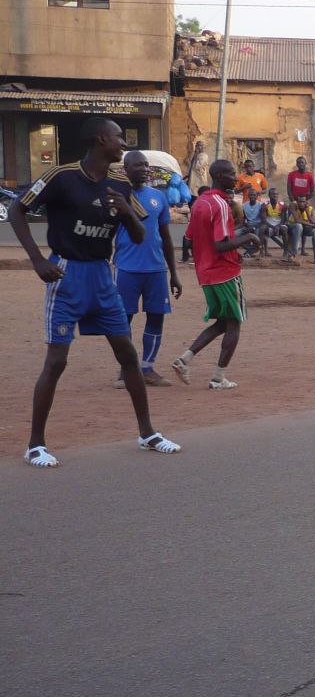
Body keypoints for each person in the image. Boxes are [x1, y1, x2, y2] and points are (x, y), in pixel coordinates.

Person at [9, 117, 181, 466]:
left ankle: (147, 433)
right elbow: (17, 209)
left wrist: (126, 212)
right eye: (119, 138)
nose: (123, 145)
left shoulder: (119, 183)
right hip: (66, 274)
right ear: (101, 140)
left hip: (103, 276)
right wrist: (37, 260)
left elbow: (136, 234)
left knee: (128, 356)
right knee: (56, 361)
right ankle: (35, 444)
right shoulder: (62, 176)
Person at [171, 159, 261, 390]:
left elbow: (189, 239)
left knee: (223, 322)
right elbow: (221, 245)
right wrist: (249, 238)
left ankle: (185, 359)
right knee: (234, 324)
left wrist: (233, 241)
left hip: (206, 273)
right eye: (232, 174)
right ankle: (218, 377)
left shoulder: (201, 202)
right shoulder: (220, 205)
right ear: (220, 177)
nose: (236, 178)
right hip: (225, 273)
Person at [113, 150, 182, 388]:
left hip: (155, 270)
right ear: (126, 170)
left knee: (156, 318)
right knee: (124, 321)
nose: (143, 169)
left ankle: (147, 368)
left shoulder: (158, 197)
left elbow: (165, 237)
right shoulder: (117, 197)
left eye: (146, 165)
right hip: (127, 269)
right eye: (138, 165)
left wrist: (173, 273)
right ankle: (126, 370)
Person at [261, 187, 294, 261]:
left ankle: (285, 251)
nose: (275, 195)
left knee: (284, 228)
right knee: (262, 228)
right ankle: (261, 251)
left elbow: (283, 220)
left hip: (279, 224)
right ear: (269, 195)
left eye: (276, 194)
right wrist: (273, 227)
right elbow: (264, 220)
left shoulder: (283, 205)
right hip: (269, 224)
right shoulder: (264, 205)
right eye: (273, 194)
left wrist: (277, 226)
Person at [289, 195, 315, 261]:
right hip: (293, 228)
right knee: (299, 226)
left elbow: (313, 222)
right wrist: (314, 225)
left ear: (306, 202)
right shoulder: (293, 205)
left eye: (303, 202)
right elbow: (297, 220)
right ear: (297, 202)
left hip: (304, 229)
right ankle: (294, 254)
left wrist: (306, 211)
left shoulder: (310, 209)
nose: (301, 203)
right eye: (299, 202)